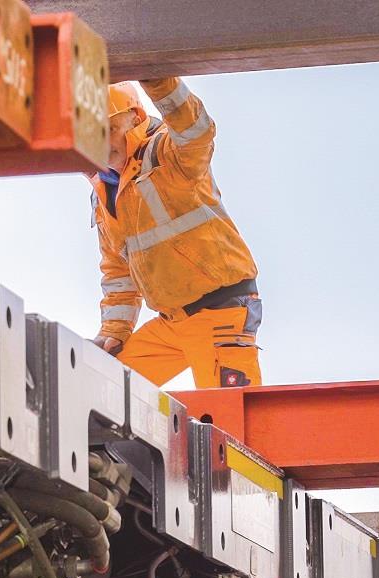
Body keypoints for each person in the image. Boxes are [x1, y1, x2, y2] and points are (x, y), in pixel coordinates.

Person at [91, 79, 262, 388]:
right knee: (105, 389)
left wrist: (158, 79)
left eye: (110, 129)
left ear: (136, 118)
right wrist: (114, 332)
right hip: (172, 323)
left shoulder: (168, 154)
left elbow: (197, 131)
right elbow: (119, 273)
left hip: (219, 312)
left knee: (230, 421)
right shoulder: (105, 191)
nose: (102, 144)